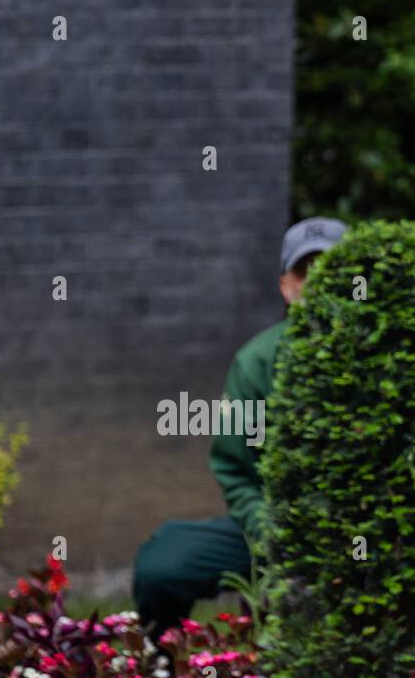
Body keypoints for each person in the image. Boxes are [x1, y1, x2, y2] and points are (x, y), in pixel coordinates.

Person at [132, 217, 348, 630]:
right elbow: (235, 471)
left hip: (361, 538)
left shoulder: (386, 357)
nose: (320, 283)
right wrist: (270, 531)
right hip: (272, 527)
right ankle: (161, 666)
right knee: (163, 562)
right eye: (307, 271)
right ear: (286, 286)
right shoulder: (257, 362)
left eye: (334, 270)